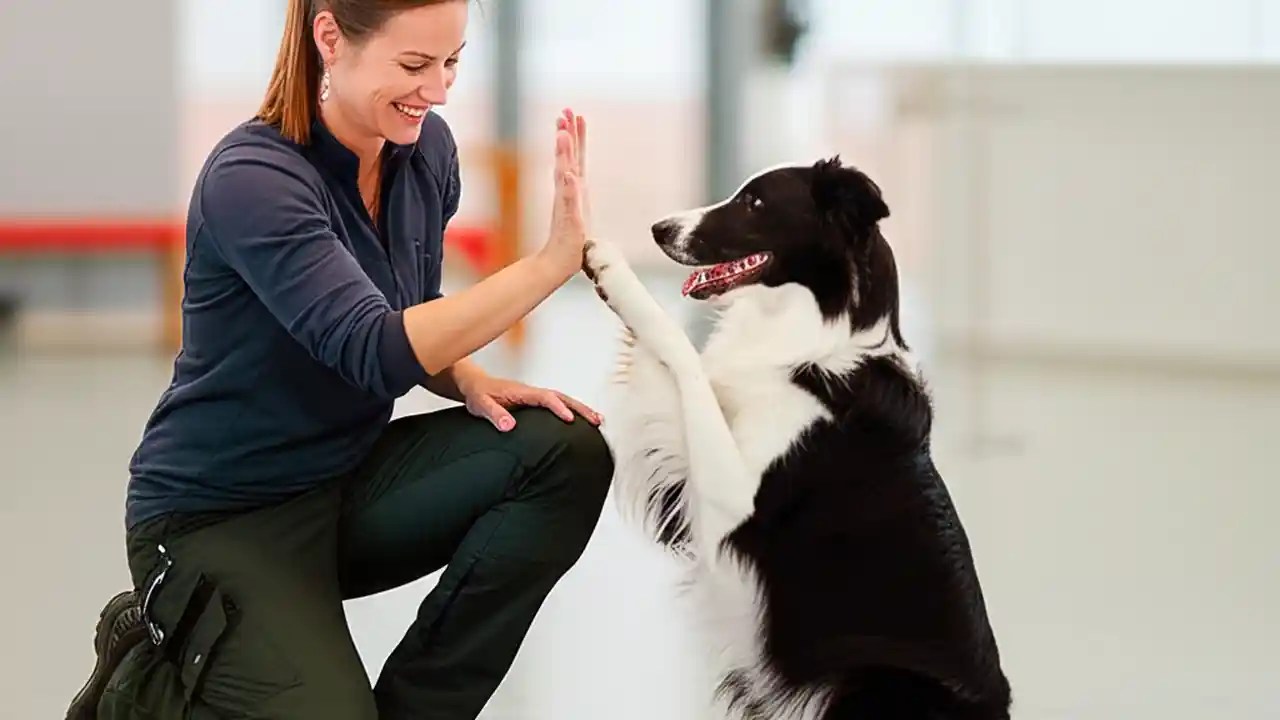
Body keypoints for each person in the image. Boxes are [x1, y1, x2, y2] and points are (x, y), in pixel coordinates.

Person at [66, 1, 613, 718]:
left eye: (452, 63)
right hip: (218, 520)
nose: (440, 90)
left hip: (344, 483)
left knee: (564, 452)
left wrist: (470, 379)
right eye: (414, 65)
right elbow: (372, 349)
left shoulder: (426, 154)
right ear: (330, 38)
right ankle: (148, 677)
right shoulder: (254, 178)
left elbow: (407, 310)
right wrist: (548, 266)